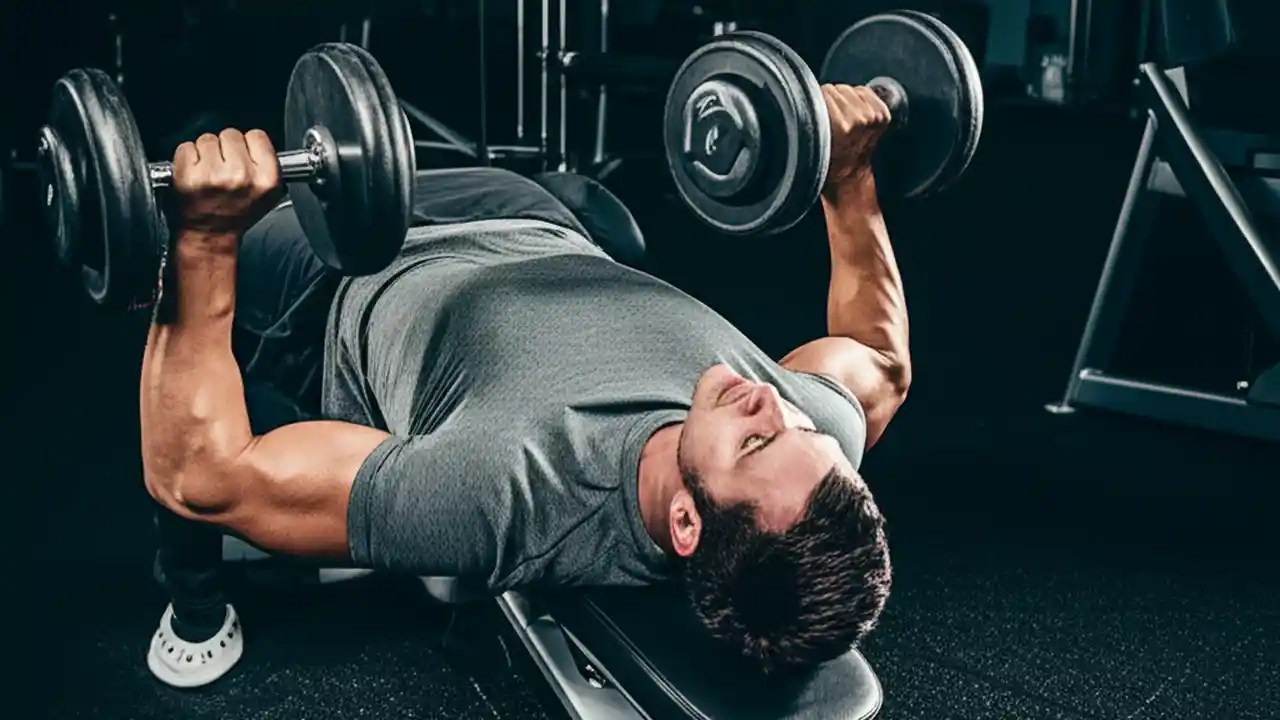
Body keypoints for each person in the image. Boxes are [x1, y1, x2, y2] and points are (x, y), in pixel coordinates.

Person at [140, 84, 907, 687]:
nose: (769, 398)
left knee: (188, 233)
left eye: (756, 440)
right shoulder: (810, 458)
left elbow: (202, 476)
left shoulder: (506, 489)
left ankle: (197, 601)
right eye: (801, 429)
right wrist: (850, 178)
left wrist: (205, 238)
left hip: (350, 267)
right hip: (529, 220)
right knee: (563, 195)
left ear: (684, 522)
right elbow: (882, 361)